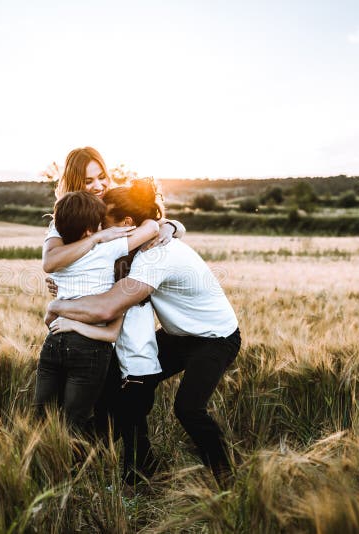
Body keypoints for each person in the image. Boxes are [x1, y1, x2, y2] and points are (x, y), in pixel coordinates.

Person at [46, 215, 241, 484]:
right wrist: (70, 282)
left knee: (188, 408)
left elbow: (108, 307)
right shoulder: (136, 248)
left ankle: (227, 476)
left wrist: (56, 307)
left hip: (215, 337)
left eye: (109, 222)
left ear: (129, 222)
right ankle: (133, 464)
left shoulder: (153, 255)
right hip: (178, 336)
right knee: (122, 381)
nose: (104, 229)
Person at [47, 179, 163, 487]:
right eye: (88, 180)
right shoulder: (104, 248)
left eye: (104, 219)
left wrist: (169, 225)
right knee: (112, 420)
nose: (99, 227)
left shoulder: (126, 257)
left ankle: (132, 480)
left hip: (130, 353)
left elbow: (150, 227)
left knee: (126, 420)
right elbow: (54, 264)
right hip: (107, 350)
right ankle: (119, 478)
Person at [42, 146, 185, 275]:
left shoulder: (113, 202)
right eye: (88, 181)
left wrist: (169, 227)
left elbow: (172, 226)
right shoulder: (68, 217)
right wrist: (97, 238)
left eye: (102, 177)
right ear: (75, 182)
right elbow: (50, 262)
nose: (98, 186)